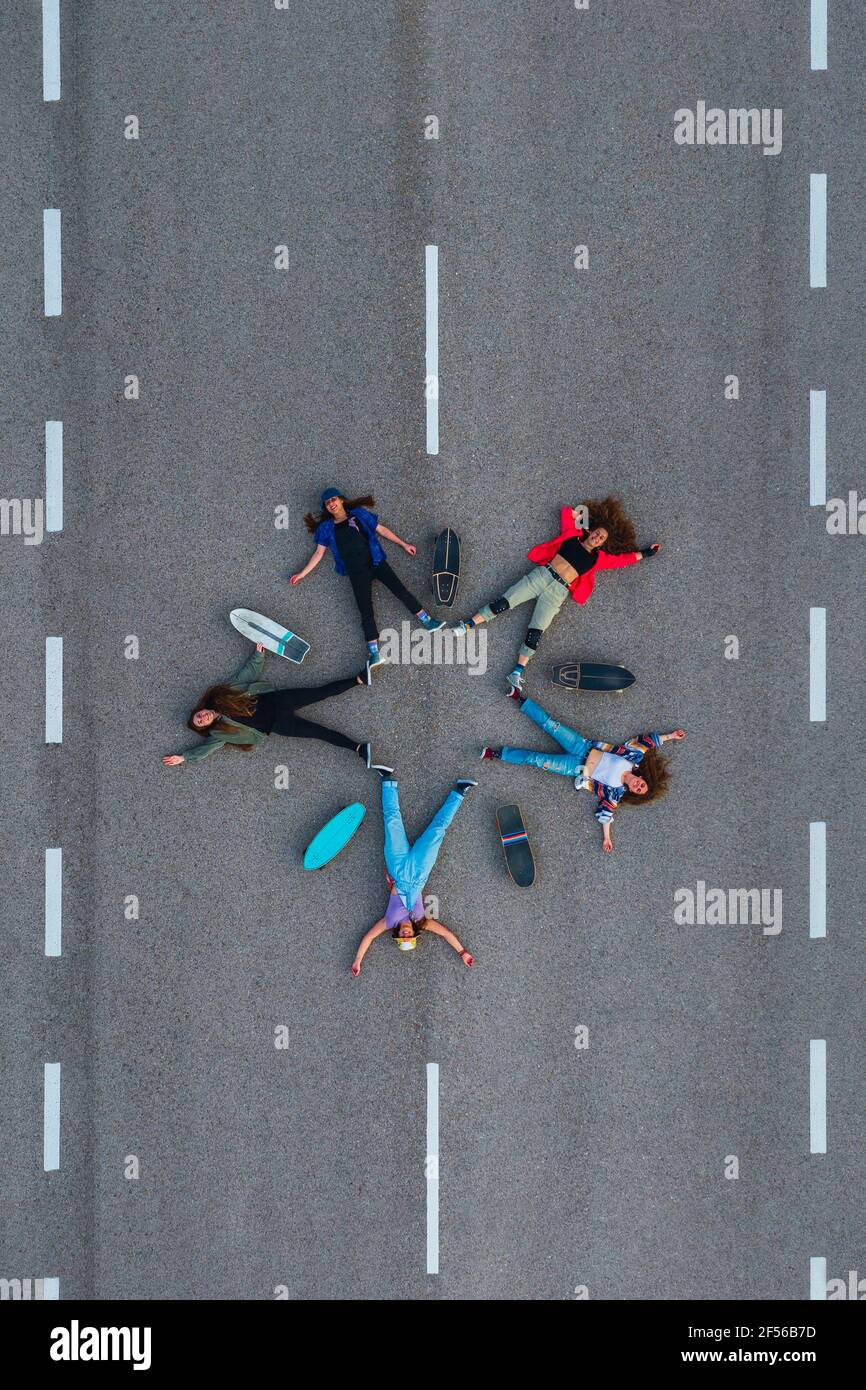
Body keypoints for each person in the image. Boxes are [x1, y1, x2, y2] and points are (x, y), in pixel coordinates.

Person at [452, 497, 662, 690]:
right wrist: (581, 519)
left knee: (536, 632)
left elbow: (622, 560)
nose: (598, 537)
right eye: (597, 533)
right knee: (503, 603)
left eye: (602, 538)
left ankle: (516, 673)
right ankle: (466, 625)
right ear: (591, 531)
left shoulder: (598, 559)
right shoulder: (572, 536)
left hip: (558, 591)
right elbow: (567, 512)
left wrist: (646, 553)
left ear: (603, 543)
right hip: (542, 576)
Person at [481, 689, 685, 853]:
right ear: (642, 778)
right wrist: (671, 736)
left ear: (633, 792)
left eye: (638, 790)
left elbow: (606, 815)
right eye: (642, 784)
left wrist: (607, 837)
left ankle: (498, 754)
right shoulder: (633, 759)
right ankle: (518, 697)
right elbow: (648, 742)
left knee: (535, 759)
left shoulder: (615, 793)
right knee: (549, 724)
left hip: (575, 767)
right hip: (582, 746)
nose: (638, 786)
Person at [163, 645, 391, 771]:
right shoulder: (218, 733)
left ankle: (360, 679)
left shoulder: (222, 694)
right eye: (200, 722)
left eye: (198, 715)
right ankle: (358, 749)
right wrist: (184, 757)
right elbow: (205, 750)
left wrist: (258, 655)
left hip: (278, 700)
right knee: (321, 733)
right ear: (206, 726)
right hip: (277, 725)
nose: (202, 717)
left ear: (201, 709)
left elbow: (245, 674)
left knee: (320, 691)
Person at [291, 488, 445, 668]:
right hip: (356, 573)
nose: (331, 504)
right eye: (327, 503)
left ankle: (427, 620)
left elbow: (381, 530)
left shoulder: (358, 515)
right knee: (365, 611)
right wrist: (302, 573)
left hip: (376, 561)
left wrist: (404, 544)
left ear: (341, 500)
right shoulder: (326, 528)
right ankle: (373, 653)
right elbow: (318, 553)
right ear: (326, 507)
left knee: (401, 591)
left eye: (333, 499)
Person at [351, 774, 477, 975]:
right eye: (409, 937)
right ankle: (460, 791)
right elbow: (445, 933)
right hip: (420, 871)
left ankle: (387, 780)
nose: (405, 934)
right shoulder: (422, 922)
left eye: (402, 937)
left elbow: (368, 937)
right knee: (438, 830)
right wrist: (462, 952)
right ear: (414, 935)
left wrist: (358, 961)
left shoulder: (389, 922)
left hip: (397, 869)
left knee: (392, 822)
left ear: (398, 934)